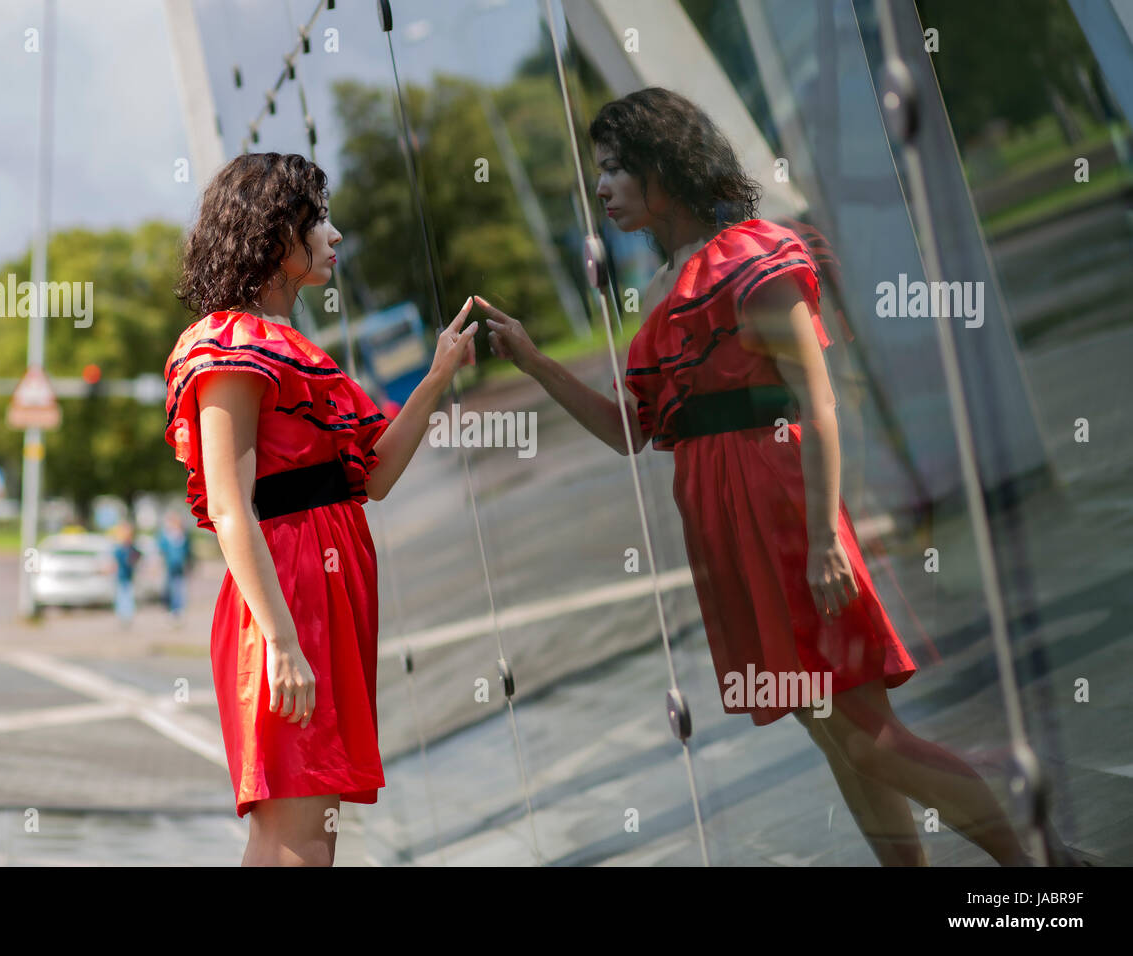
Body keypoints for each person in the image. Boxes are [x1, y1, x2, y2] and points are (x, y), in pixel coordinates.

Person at [477, 87, 1049, 866]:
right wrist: (535, 360)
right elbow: (628, 431)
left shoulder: (754, 256)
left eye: (614, 169)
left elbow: (816, 396)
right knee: (838, 741)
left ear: (663, 168)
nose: (602, 189)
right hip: (724, 526)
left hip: (783, 511)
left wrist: (823, 541)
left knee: (872, 740)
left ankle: (1037, 868)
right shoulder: (659, 295)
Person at [164, 152, 477, 867]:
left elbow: (374, 478)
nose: (335, 236)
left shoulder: (295, 348)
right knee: (296, 837)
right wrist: (280, 642)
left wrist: (435, 378)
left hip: (323, 594)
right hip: (288, 599)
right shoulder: (229, 346)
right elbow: (231, 507)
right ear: (276, 236)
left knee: (304, 833)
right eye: (319, 220)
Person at [158, 510, 193, 624]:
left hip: (180, 566)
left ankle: (178, 609)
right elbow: (162, 549)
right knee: (169, 589)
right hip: (169, 566)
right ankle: (171, 608)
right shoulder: (166, 535)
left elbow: (188, 551)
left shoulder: (184, 535)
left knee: (179, 588)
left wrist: (189, 564)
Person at [112, 520, 140, 630]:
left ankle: (127, 616)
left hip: (128, 576)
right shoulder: (120, 548)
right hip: (121, 576)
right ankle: (123, 616)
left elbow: (137, 556)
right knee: (121, 596)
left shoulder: (131, 547)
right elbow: (118, 560)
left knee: (127, 596)